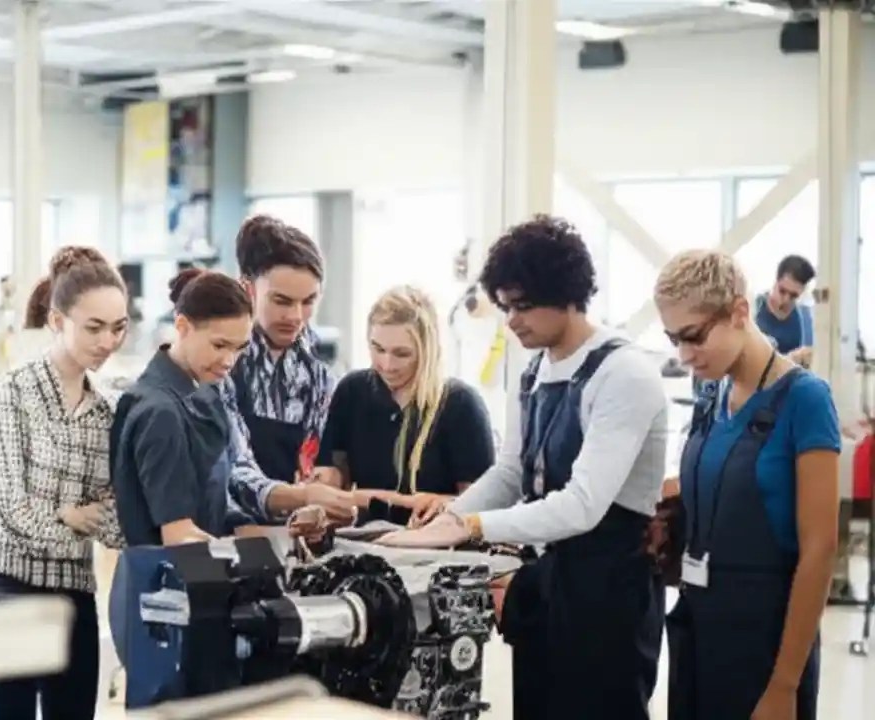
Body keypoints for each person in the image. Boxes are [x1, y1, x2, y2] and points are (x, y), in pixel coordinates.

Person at [379, 215, 669, 720]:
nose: (511, 320)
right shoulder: (533, 370)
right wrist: (445, 524)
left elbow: (582, 506)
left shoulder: (623, 374)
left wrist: (468, 525)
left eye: (523, 305)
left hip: (608, 592)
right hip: (544, 580)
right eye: (505, 306)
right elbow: (512, 472)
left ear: (567, 292)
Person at [650, 250, 838, 720]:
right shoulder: (710, 397)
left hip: (765, 647)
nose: (684, 356)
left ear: (738, 312)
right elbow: (717, 483)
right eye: (674, 340)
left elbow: (821, 549)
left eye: (693, 337)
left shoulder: (806, 400)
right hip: (699, 632)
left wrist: (783, 686)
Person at [0, 247, 128, 720]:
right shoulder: (11, 392)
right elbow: (12, 514)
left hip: (74, 593)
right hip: (7, 590)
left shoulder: (109, 410)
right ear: (58, 321)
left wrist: (72, 517)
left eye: (119, 328)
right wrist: (77, 519)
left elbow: (117, 527)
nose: (107, 342)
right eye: (94, 328)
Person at [315, 285, 495, 527]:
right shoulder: (352, 391)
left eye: (401, 354)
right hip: (363, 543)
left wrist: (440, 504)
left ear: (426, 352)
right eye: (377, 349)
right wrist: (320, 485)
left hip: (437, 546)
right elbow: (333, 490)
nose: (387, 364)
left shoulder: (461, 405)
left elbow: (480, 506)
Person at [111, 268, 260, 546]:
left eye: (239, 349)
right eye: (219, 345)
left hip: (202, 574)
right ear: (182, 327)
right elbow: (178, 535)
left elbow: (214, 506)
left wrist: (281, 537)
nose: (229, 361)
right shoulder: (159, 413)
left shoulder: (206, 396)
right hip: (165, 583)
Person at [220, 215, 352, 525]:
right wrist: (298, 497)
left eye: (308, 302)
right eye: (281, 301)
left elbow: (323, 457)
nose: (295, 316)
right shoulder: (221, 362)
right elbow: (233, 469)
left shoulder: (321, 371)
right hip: (226, 531)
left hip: (299, 530)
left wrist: (331, 477)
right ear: (247, 289)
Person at [756, 254, 815, 366]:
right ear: (775, 282)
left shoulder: (805, 321)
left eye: (793, 296)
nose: (786, 300)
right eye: (782, 291)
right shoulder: (753, 310)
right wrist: (788, 360)